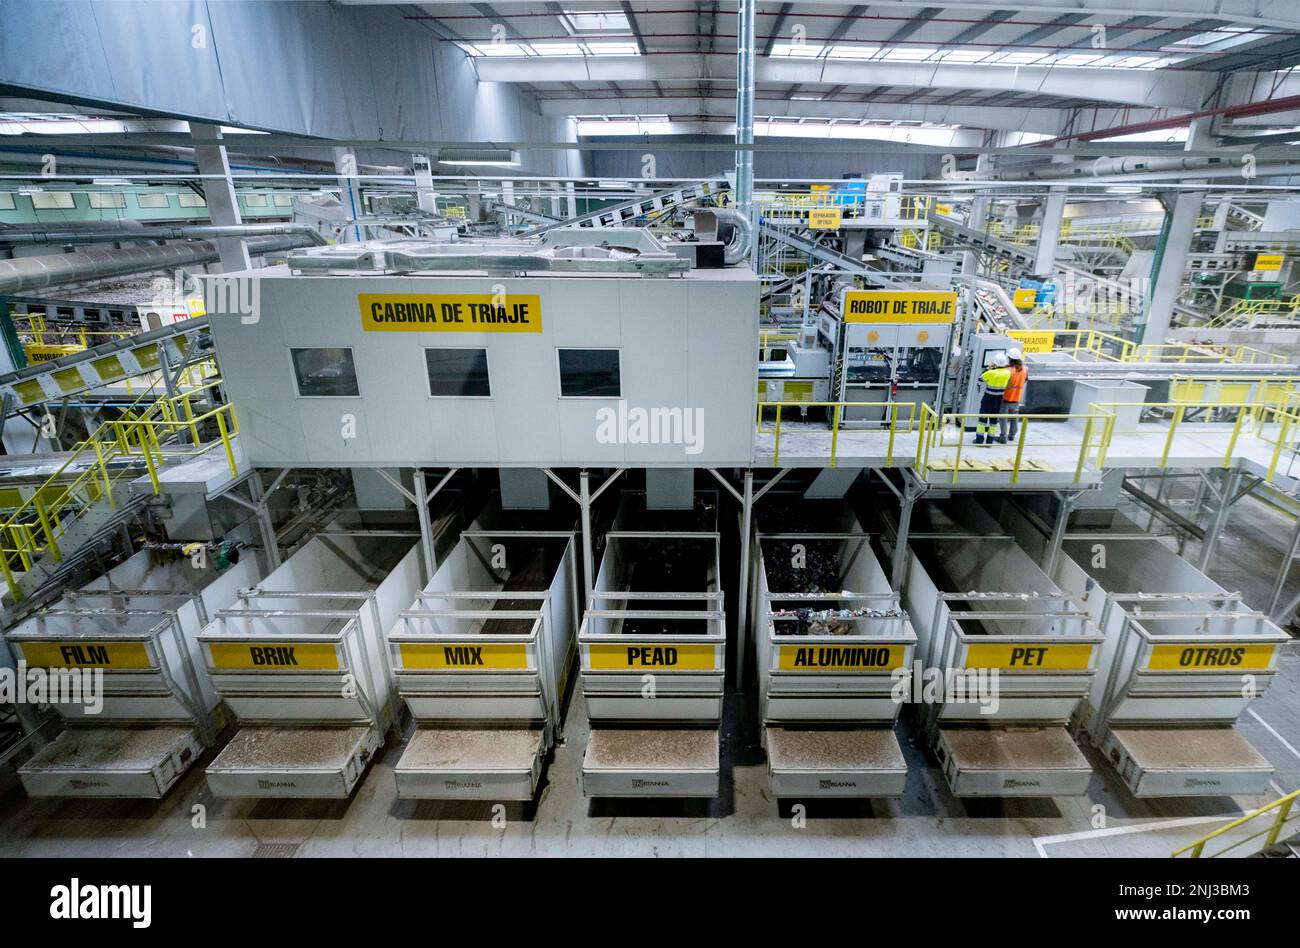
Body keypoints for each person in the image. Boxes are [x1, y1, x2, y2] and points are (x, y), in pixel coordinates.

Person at [975, 352, 1010, 446]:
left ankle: (979, 440)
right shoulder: (1008, 373)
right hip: (999, 400)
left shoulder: (991, 372)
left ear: (995, 363)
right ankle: (989, 441)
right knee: (993, 421)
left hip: (988, 398)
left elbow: (980, 378)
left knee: (982, 420)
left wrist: (988, 368)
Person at [998, 348, 1027, 444]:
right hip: (1017, 397)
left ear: (1010, 358)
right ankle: (1012, 435)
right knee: (1014, 418)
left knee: (1003, 418)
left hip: (1006, 397)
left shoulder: (1008, 370)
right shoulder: (1025, 368)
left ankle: (1003, 436)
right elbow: (1025, 380)